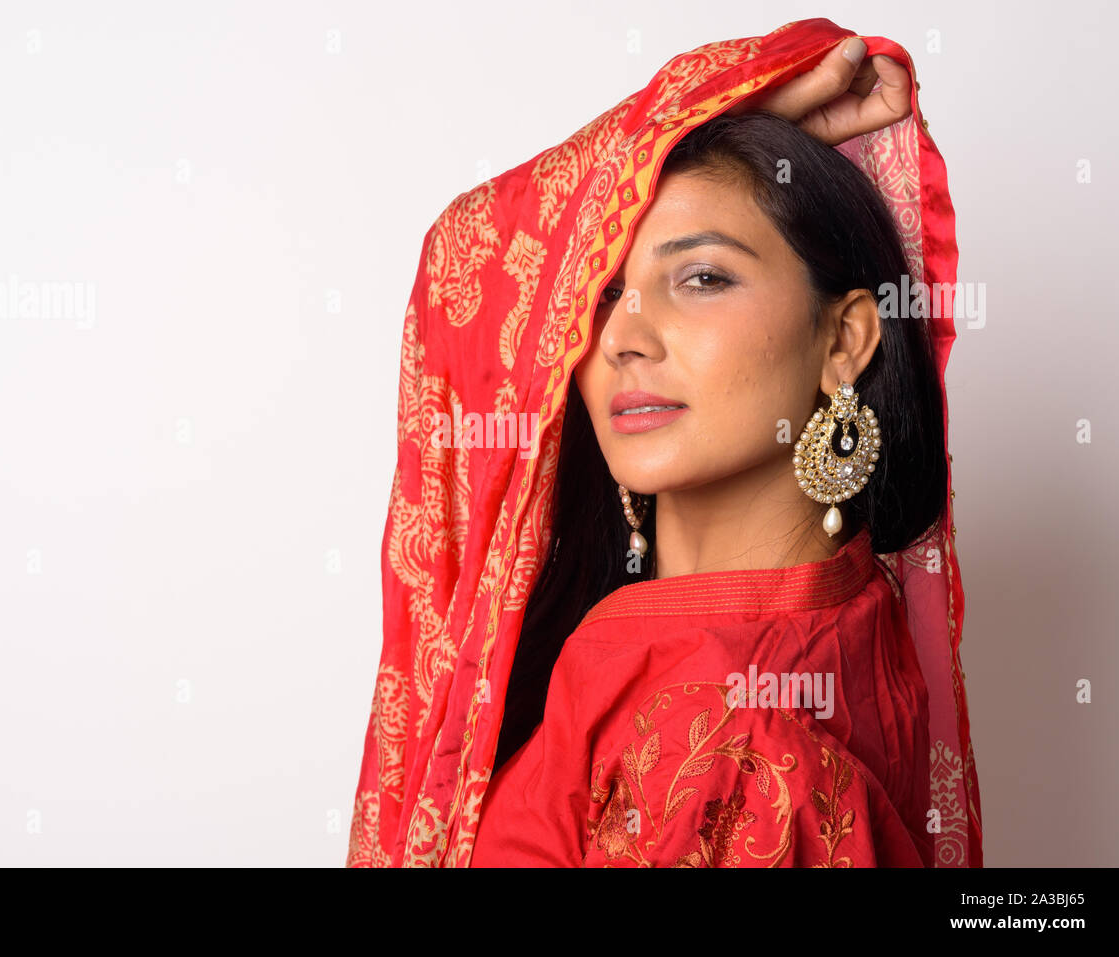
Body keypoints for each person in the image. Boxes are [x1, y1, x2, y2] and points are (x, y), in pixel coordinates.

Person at [348, 17, 982, 868]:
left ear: (845, 340)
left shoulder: (725, 752)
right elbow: (471, 264)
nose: (620, 338)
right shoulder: (842, 614)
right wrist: (692, 129)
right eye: (601, 292)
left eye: (702, 277)